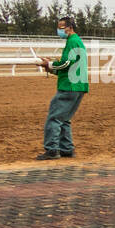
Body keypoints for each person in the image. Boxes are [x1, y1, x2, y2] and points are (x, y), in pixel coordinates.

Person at [35, 16, 88, 160]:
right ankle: (67, 149)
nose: (59, 30)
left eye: (61, 27)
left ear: (69, 28)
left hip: (69, 86)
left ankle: (52, 149)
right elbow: (67, 66)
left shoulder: (73, 42)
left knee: (54, 118)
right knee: (64, 118)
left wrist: (50, 64)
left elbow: (66, 63)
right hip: (78, 86)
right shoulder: (77, 42)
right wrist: (51, 68)